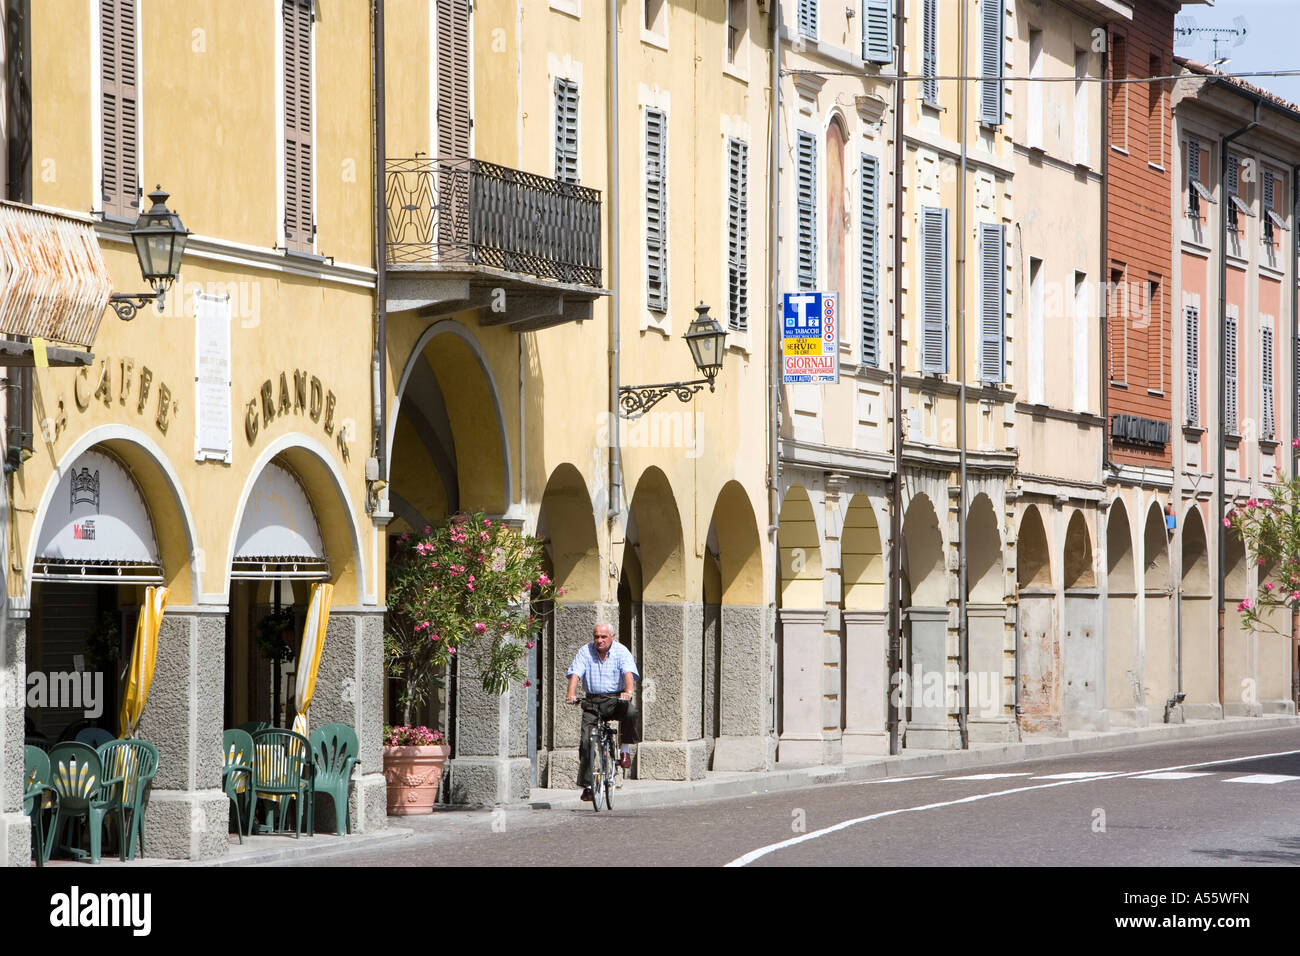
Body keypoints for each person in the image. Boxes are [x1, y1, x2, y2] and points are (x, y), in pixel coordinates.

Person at [565, 621, 641, 801]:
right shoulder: (586, 651)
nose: (599, 640)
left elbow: (628, 673)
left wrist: (628, 692)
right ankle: (589, 786)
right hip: (592, 702)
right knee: (585, 741)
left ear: (612, 637)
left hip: (615, 700)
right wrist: (571, 694)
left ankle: (624, 750)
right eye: (596, 636)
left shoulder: (621, 651)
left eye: (603, 637)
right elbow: (576, 673)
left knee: (631, 713)